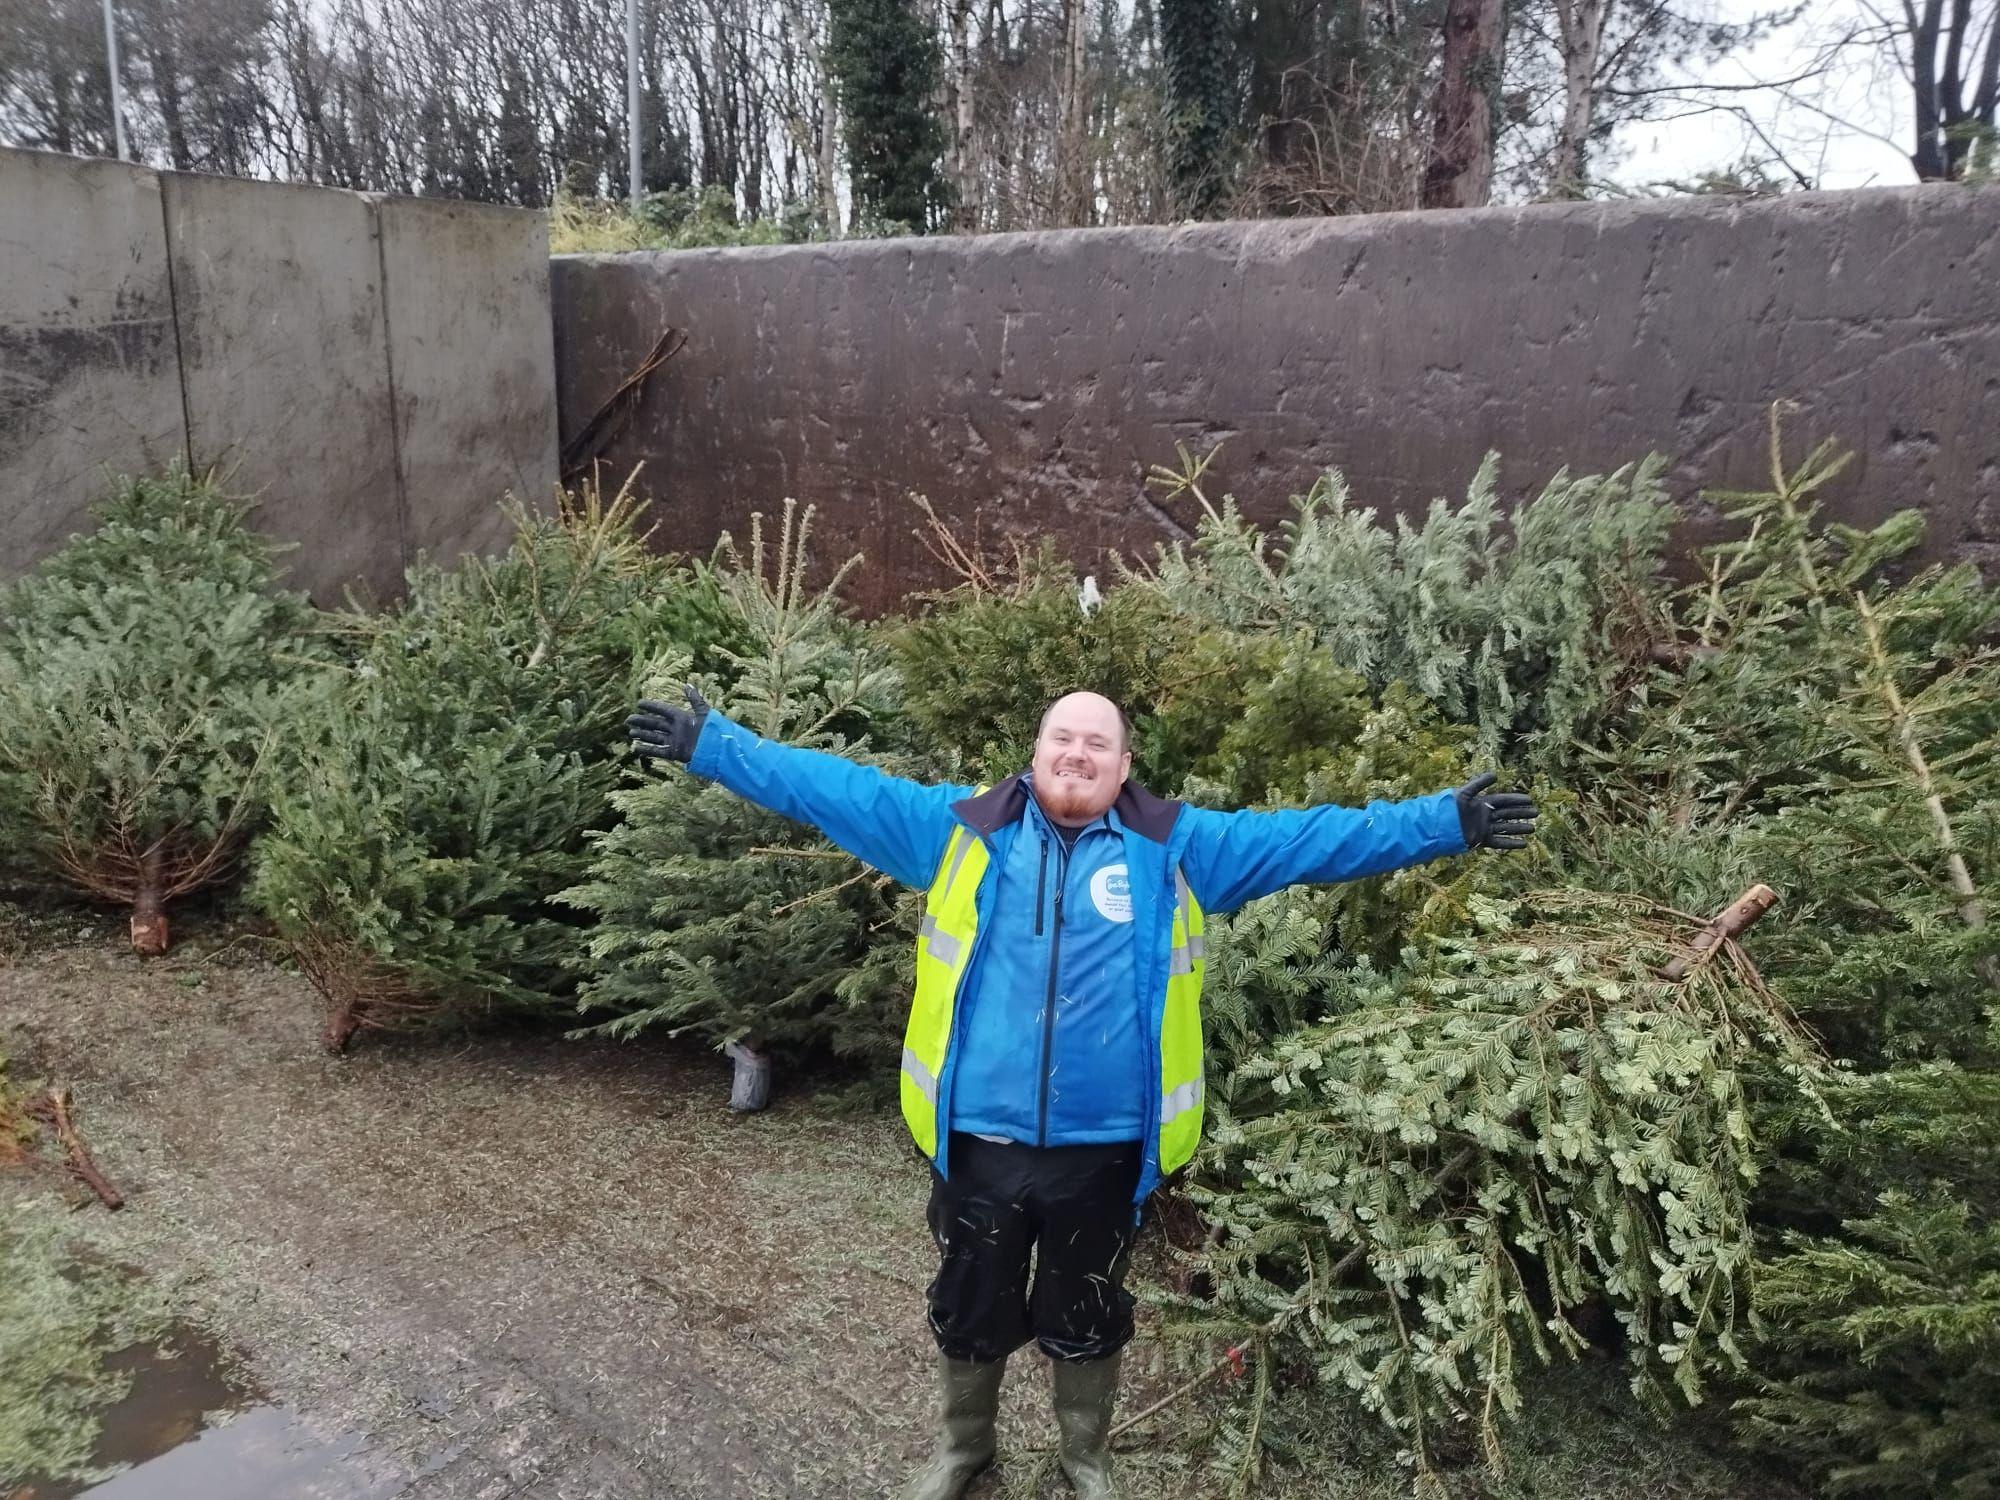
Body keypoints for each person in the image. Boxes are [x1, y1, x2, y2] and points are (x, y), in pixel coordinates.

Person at [627, 687, 1538, 1500]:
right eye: (1063, 736)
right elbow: (825, 786)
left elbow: (1318, 837)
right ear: (1035, 752)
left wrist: (1445, 821)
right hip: (979, 1142)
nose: (1078, 753)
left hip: (1106, 1151)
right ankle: (963, 1450)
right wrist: (714, 743)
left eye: (1098, 742)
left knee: (1088, 1307)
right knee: (971, 1301)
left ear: (1125, 764)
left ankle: (1084, 1459)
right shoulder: (959, 832)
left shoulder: (1178, 847)